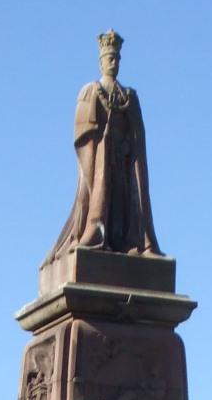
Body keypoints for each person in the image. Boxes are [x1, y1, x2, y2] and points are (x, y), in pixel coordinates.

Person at [45, 30, 161, 262]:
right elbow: (82, 130)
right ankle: (96, 233)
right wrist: (102, 141)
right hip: (100, 158)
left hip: (124, 160)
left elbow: (138, 134)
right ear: (101, 62)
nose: (114, 63)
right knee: (101, 192)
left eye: (117, 59)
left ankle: (129, 239)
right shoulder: (91, 91)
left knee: (123, 199)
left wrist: (128, 143)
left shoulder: (129, 96)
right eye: (110, 59)